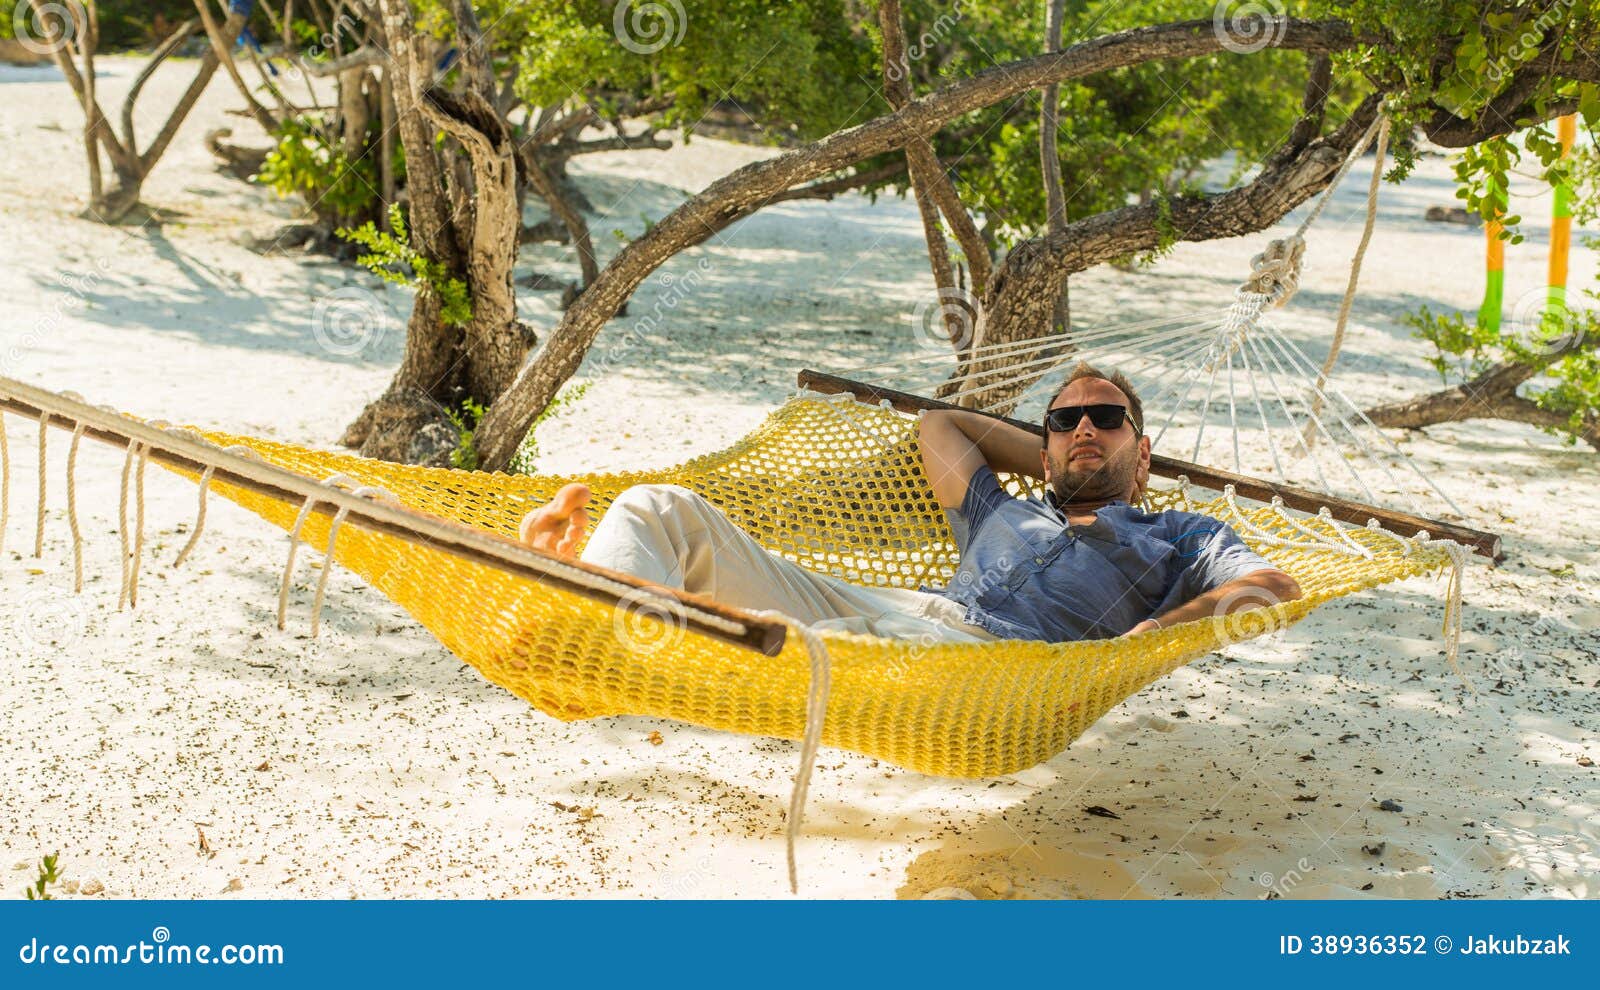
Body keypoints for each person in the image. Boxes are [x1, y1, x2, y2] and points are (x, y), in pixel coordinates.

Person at [518, 362, 1302, 643]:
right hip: (900, 605)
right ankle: (578, 621)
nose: (1083, 427)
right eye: (1065, 419)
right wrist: (1067, 463)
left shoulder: (1178, 533)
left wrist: (1154, 629)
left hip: (989, 662)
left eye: (1106, 419)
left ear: (1146, 453)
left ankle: (594, 624)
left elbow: (1273, 587)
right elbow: (941, 423)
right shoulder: (1003, 509)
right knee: (662, 509)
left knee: (851, 652)